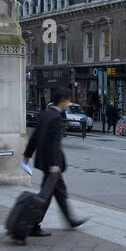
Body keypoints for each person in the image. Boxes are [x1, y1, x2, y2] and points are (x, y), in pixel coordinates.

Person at [22, 87, 87, 238]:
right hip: (52, 164)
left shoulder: (45, 114)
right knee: (45, 197)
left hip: (45, 161)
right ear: (63, 101)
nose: (68, 104)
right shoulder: (57, 118)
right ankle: (33, 224)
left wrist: (27, 154)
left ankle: (70, 219)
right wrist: (54, 164)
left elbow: (35, 136)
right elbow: (54, 144)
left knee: (60, 192)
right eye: (68, 101)